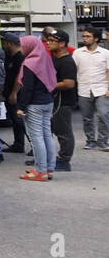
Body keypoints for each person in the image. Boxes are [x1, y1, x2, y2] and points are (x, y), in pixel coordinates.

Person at [14, 34, 58, 181]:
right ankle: (49, 168)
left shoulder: (30, 64)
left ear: (29, 46)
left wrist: (21, 107)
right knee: (47, 136)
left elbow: (27, 88)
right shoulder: (46, 59)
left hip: (34, 104)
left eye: (22, 45)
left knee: (36, 138)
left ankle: (40, 171)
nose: (21, 49)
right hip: (47, 101)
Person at [46, 30, 78, 172]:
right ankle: (48, 158)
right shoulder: (54, 59)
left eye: (52, 40)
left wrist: (48, 85)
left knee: (63, 132)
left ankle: (65, 160)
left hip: (63, 102)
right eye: (48, 40)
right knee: (51, 130)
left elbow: (69, 83)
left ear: (62, 43)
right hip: (53, 101)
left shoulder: (67, 62)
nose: (48, 43)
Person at [73, 27, 109, 149]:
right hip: (84, 89)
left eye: (88, 36)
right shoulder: (78, 53)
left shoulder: (105, 53)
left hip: (102, 88)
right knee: (87, 118)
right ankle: (90, 141)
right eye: (84, 36)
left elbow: (108, 71)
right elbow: (73, 70)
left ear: (96, 38)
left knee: (103, 115)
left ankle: (103, 141)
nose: (85, 38)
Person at [1, 32, 26, 154]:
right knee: (13, 118)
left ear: (10, 43)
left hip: (17, 93)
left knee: (18, 119)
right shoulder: (8, 56)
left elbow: (19, 77)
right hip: (8, 91)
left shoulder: (19, 58)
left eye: (5, 43)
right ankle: (17, 143)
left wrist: (14, 93)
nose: (3, 45)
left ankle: (24, 143)